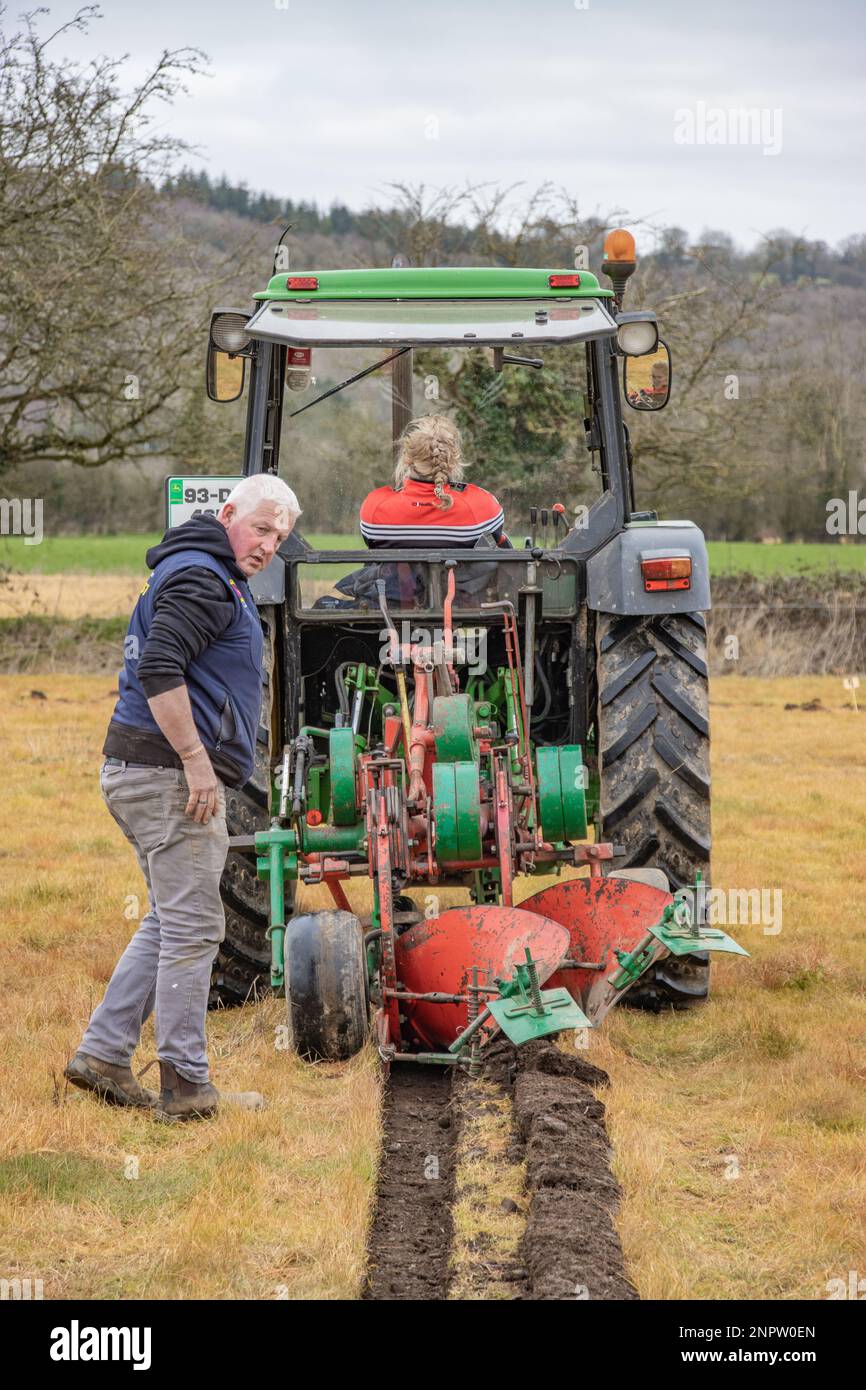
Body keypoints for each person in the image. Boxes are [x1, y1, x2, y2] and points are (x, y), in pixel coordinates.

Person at [64, 474, 301, 1121]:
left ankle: (105, 1056)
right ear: (228, 513)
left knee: (171, 919)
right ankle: (187, 1088)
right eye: (260, 527)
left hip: (142, 769)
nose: (268, 544)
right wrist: (197, 761)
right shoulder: (202, 577)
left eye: (279, 536)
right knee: (196, 927)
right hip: (171, 778)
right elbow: (161, 666)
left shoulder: (199, 569)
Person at [359, 414, 506, 548]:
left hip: (396, 578)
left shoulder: (375, 508)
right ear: (453, 460)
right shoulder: (482, 507)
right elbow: (497, 541)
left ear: (407, 458)